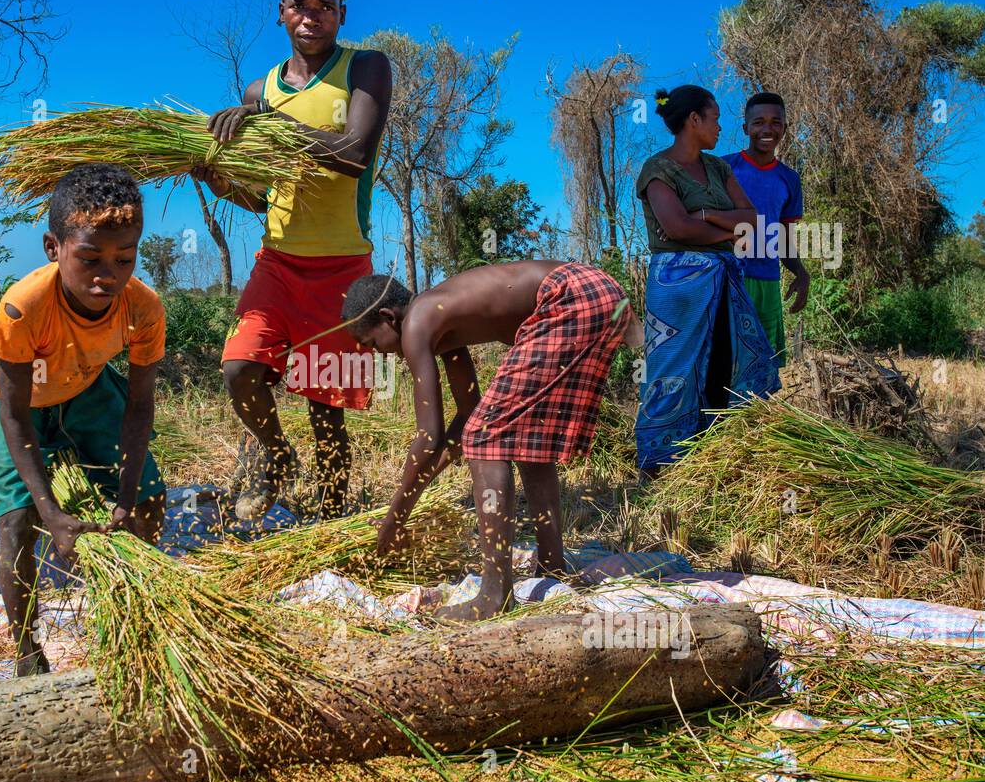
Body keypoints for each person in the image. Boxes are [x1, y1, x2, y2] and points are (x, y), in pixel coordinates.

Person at [191, 0, 391, 521]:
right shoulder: (260, 93)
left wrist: (275, 126)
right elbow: (261, 199)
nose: (312, 14)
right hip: (278, 262)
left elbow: (353, 154)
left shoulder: (366, 67)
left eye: (324, 4)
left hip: (343, 267)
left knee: (327, 405)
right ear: (280, 12)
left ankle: (331, 520)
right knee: (240, 367)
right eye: (299, 3)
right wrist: (218, 179)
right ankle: (276, 457)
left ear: (342, 13)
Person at [342, 261, 643, 621]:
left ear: (389, 318)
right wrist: (441, 463)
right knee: (526, 442)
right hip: (597, 293)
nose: (377, 353)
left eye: (371, 342)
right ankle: (552, 566)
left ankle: (494, 595)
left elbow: (430, 436)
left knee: (488, 438)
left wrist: (394, 520)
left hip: (570, 297)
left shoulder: (417, 322)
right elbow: (468, 414)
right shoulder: (439, 317)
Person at [0, 163, 167, 676]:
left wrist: (125, 499)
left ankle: (129, 629)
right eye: (89, 258)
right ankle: (26, 651)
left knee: (149, 501)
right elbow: (15, 415)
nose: (107, 275)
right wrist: (52, 512)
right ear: (53, 248)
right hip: (16, 402)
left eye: (124, 258)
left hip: (86, 386)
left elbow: (139, 405)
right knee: (20, 521)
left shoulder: (143, 308)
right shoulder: (24, 308)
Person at [634, 85, 781, 474]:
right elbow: (674, 227)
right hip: (677, 289)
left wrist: (703, 218)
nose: (720, 125)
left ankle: (711, 465)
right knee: (672, 373)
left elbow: (751, 218)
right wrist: (724, 229)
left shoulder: (718, 168)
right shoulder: (658, 169)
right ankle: (661, 468)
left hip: (723, 284)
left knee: (721, 366)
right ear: (694, 120)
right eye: (715, 117)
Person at [722, 92, 810, 367]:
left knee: (763, 365)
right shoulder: (722, 168)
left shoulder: (789, 179)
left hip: (768, 281)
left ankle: (757, 412)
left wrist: (800, 272)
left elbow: (783, 237)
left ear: (785, 127)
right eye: (759, 122)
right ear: (746, 128)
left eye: (776, 122)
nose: (767, 129)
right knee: (726, 361)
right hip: (727, 278)